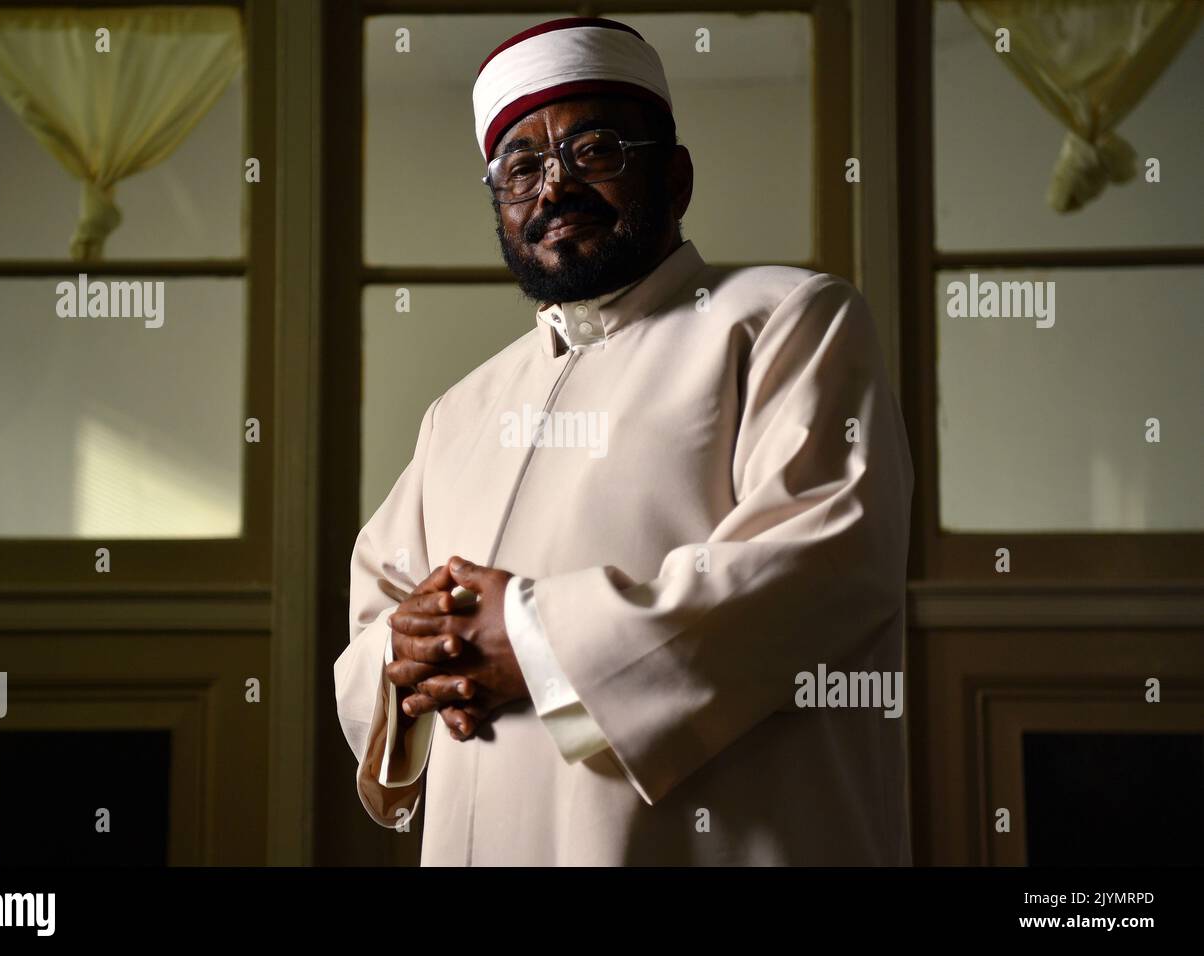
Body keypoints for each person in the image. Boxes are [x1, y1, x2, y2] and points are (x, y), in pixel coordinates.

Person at [333, 16, 914, 865]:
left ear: (673, 176)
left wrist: (532, 638)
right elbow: (380, 609)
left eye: (594, 149)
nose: (553, 189)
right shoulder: (460, 410)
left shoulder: (787, 319)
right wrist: (406, 651)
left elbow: (822, 564)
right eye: (521, 167)